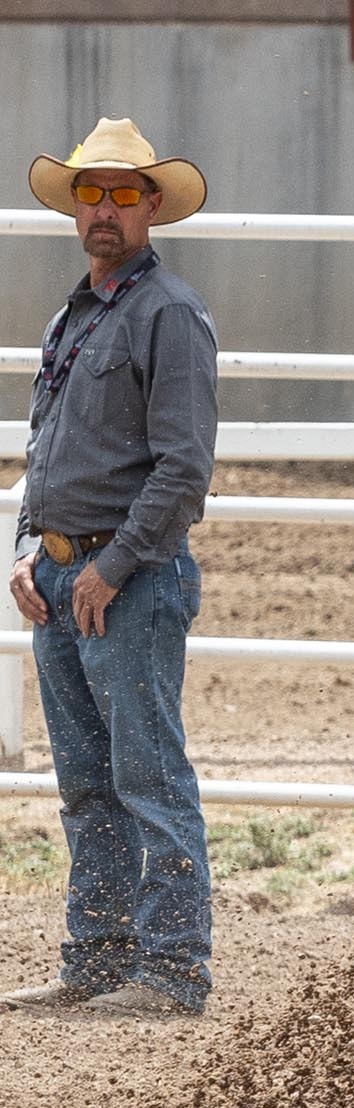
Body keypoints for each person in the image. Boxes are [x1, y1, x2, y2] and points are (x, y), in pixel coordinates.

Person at [0, 118, 218, 1018]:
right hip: (63, 578)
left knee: (147, 773)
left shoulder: (168, 314)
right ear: (75, 205)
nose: (105, 209)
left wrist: (114, 566)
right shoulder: (75, 316)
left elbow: (184, 467)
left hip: (120, 581)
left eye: (124, 192)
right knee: (89, 779)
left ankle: (171, 969)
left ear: (152, 206)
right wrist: (26, 547)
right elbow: (47, 444)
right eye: (92, 192)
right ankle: (97, 955)